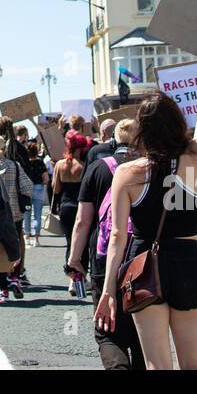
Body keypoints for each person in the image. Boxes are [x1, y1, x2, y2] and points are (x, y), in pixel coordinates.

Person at [95, 42, 197, 370]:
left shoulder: (127, 173)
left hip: (143, 263)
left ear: (142, 130)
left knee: (157, 364)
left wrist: (108, 290)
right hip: (187, 260)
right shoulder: (195, 158)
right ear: (175, 123)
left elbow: (117, 238)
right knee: (194, 363)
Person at [68, 118, 146, 370]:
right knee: (143, 330)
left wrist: (74, 258)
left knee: (107, 329)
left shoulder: (99, 167)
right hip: (141, 254)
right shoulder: (150, 168)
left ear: (114, 140)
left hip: (104, 255)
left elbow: (82, 220)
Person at [0, 135, 33, 300]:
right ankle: (15, 277)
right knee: (14, 244)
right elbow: (27, 186)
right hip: (15, 213)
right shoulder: (15, 166)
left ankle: (3, 288)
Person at [54, 132, 88, 274]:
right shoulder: (83, 166)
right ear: (80, 149)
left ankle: (72, 278)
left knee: (70, 242)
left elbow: (56, 189)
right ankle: (80, 276)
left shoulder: (59, 165)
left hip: (65, 207)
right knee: (82, 244)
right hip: (80, 207)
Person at [20, 129, 49, 246]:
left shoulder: (25, 162)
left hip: (27, 189)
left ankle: (27, 236)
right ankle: (36, 239)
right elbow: (46, 178)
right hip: (38, 188)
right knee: (37, 214)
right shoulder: (40, 162)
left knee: (27, 213)